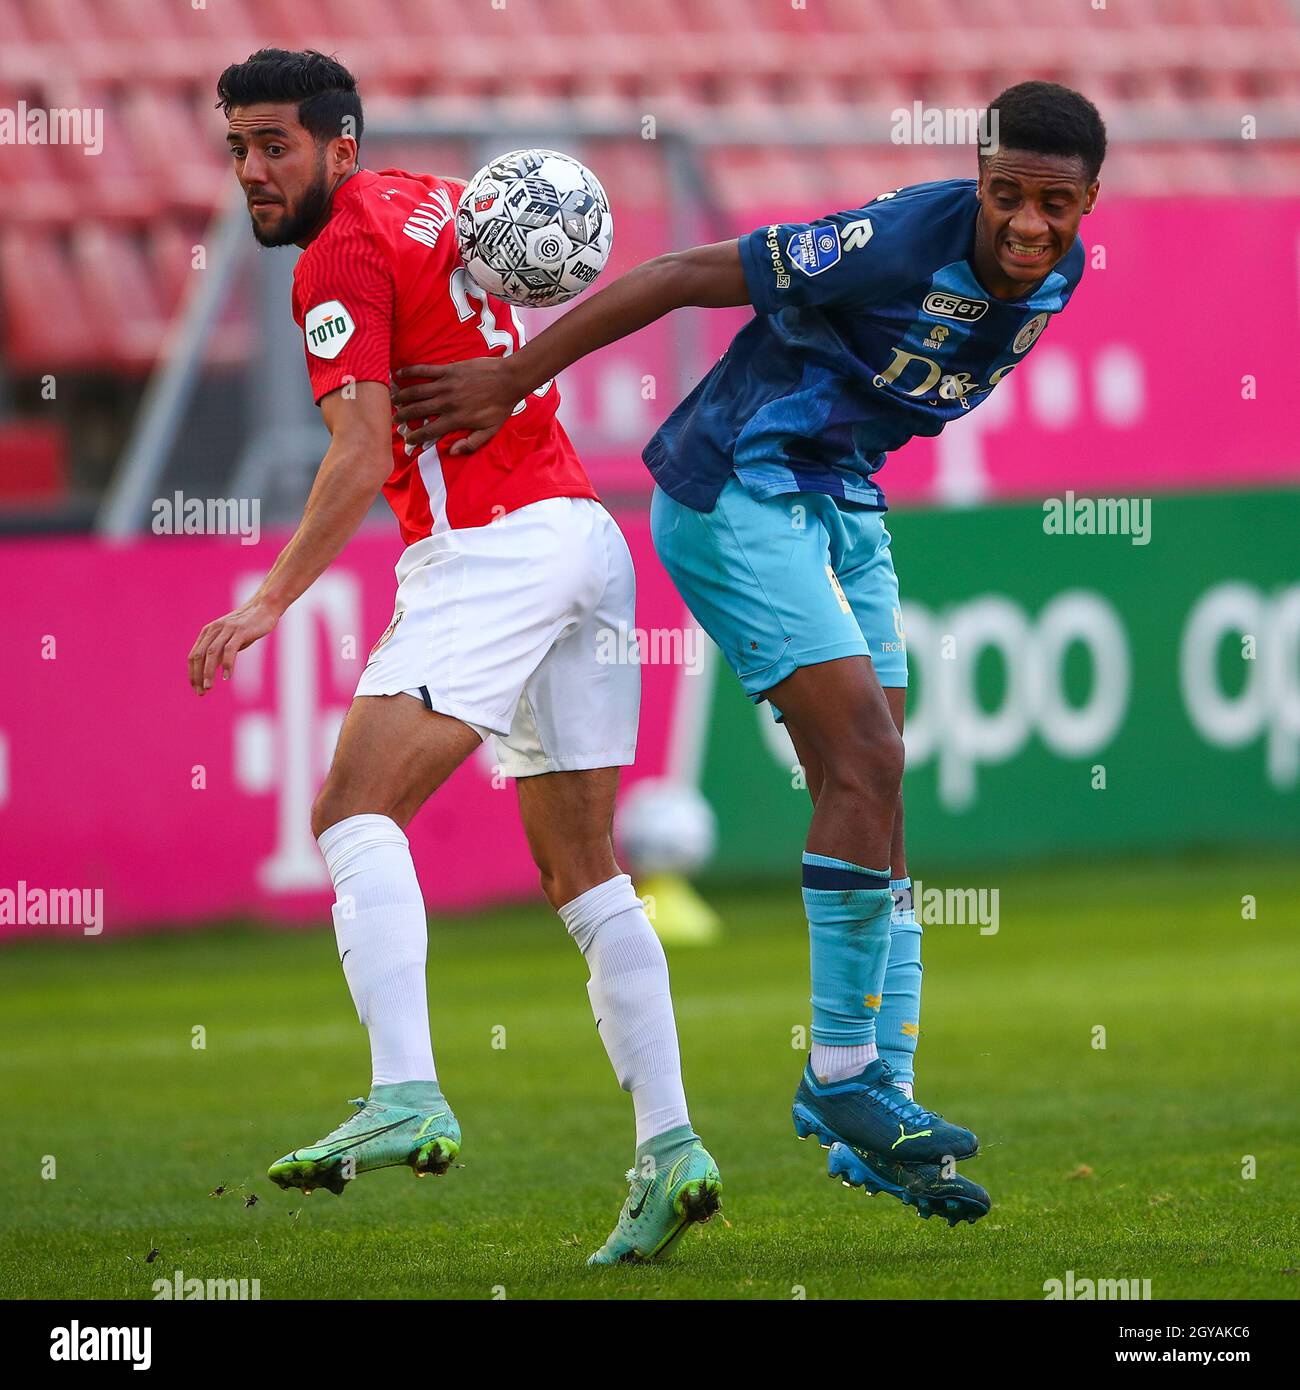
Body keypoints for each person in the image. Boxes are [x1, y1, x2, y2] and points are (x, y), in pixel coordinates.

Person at [392, 79, 1107, 1225]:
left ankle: (884, 1121)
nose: (1027, 224)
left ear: (1086, 204)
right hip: (738, 489)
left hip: (841, 499)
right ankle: (838, 1081)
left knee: (880, 800)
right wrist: (516, 376)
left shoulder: (1059, 276)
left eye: (1054, 205)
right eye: (1006, 195)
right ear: (977, 179)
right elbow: (681, 276)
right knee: (865, 761)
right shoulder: (889, 242)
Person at [187, 48, 720, 1266]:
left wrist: (271, 598)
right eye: (238, 149)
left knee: (350, 807)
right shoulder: (426, 195)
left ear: (339, 143)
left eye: (275, 147)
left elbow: (364, 446)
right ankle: (671, 1144)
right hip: (586, 533)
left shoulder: (337, 253)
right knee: (587, 871)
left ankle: (406, 1089)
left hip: (489, 550)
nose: (254, 173)